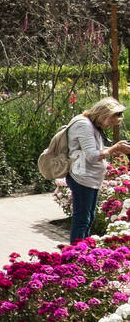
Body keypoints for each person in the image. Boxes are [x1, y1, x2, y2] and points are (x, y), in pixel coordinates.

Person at [66, 97, 130, 243]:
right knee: (82, 219)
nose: (109, 126)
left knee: (89, 218)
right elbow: (92, 156)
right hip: (82, 177)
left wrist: (116, 148)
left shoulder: (90, 124)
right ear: (103, 114)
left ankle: (83, 251)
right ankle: (75, 254)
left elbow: (94, 150)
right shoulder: (84, 125)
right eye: (110, 122)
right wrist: (115, 148)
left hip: (90, 178)